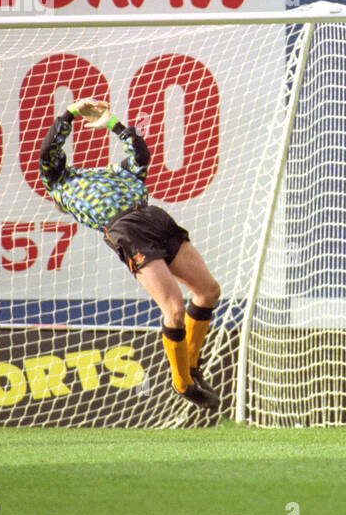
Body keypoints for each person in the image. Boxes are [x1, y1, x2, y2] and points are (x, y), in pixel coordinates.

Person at [39, 98, 221, 410]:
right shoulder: (58, 182)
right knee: (174, 308)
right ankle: (182, 383)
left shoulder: (119, 173)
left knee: (207, 291)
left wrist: (113, 124)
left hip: (155, 217)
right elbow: (49, 153)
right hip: (126, 229)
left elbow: (140, 154)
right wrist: (69, 114)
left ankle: (191, 366)